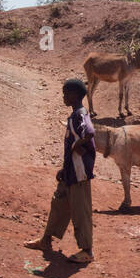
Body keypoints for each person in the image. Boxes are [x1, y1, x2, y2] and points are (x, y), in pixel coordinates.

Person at [25, 78, 96, 264]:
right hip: (70, 172)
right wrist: (65, 168)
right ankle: (46, 240)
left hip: (79, 174)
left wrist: (78, 145)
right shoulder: (75, 115)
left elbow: (89, 132)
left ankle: (87, 251)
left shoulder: (79, 115)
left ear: (75, 95)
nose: (63, 96)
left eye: (66, 93)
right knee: (58, 205)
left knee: (81, 212)